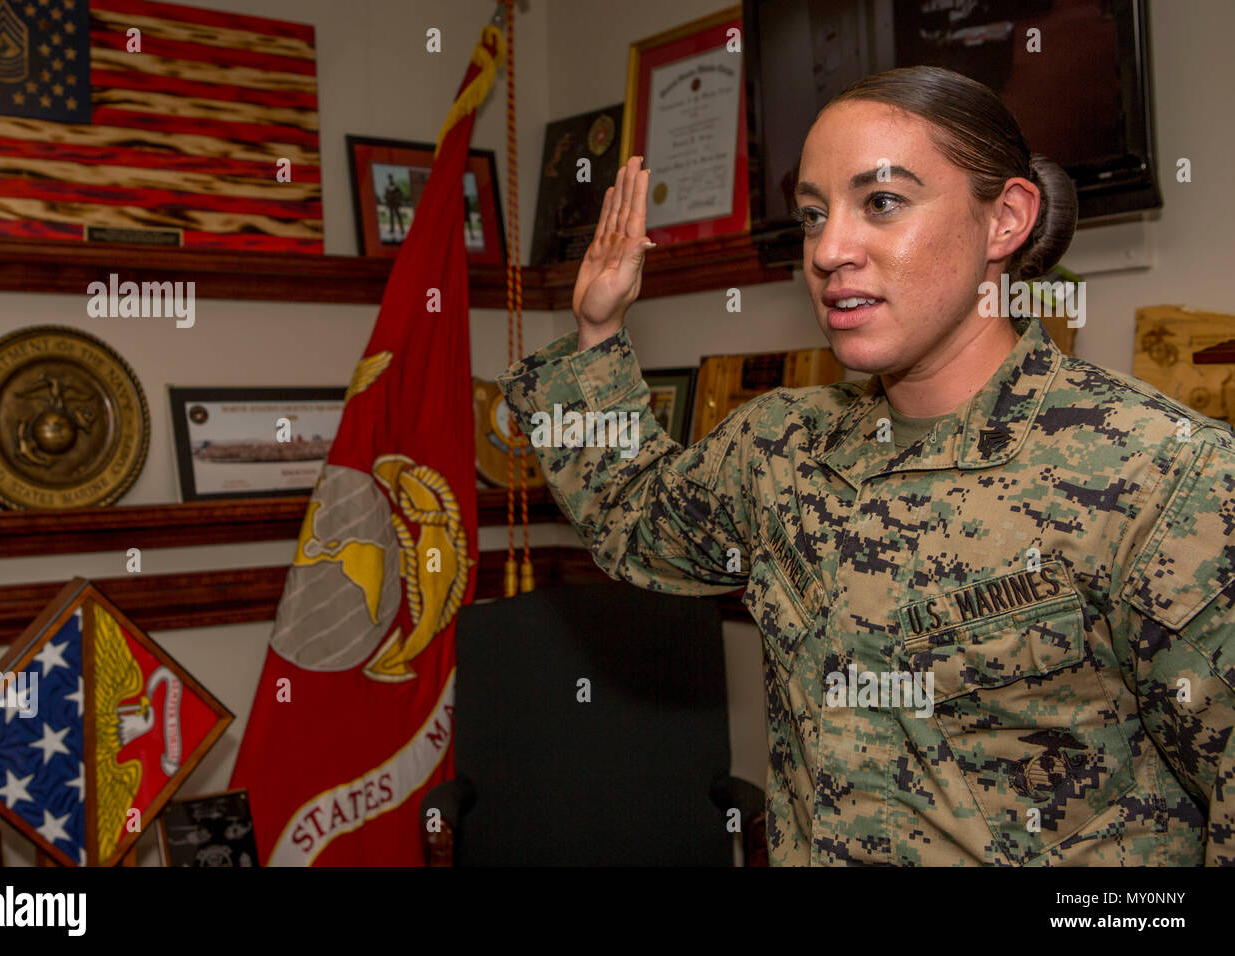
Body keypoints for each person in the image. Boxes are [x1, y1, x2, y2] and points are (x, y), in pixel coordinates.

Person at [498, 65, 1235, 866]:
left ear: (1006, 219)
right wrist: (599, 332)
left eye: (881, 202)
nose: (830, 250)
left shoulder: (1164, 474)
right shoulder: (784, 446)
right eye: (813, 216)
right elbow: (633, 520)